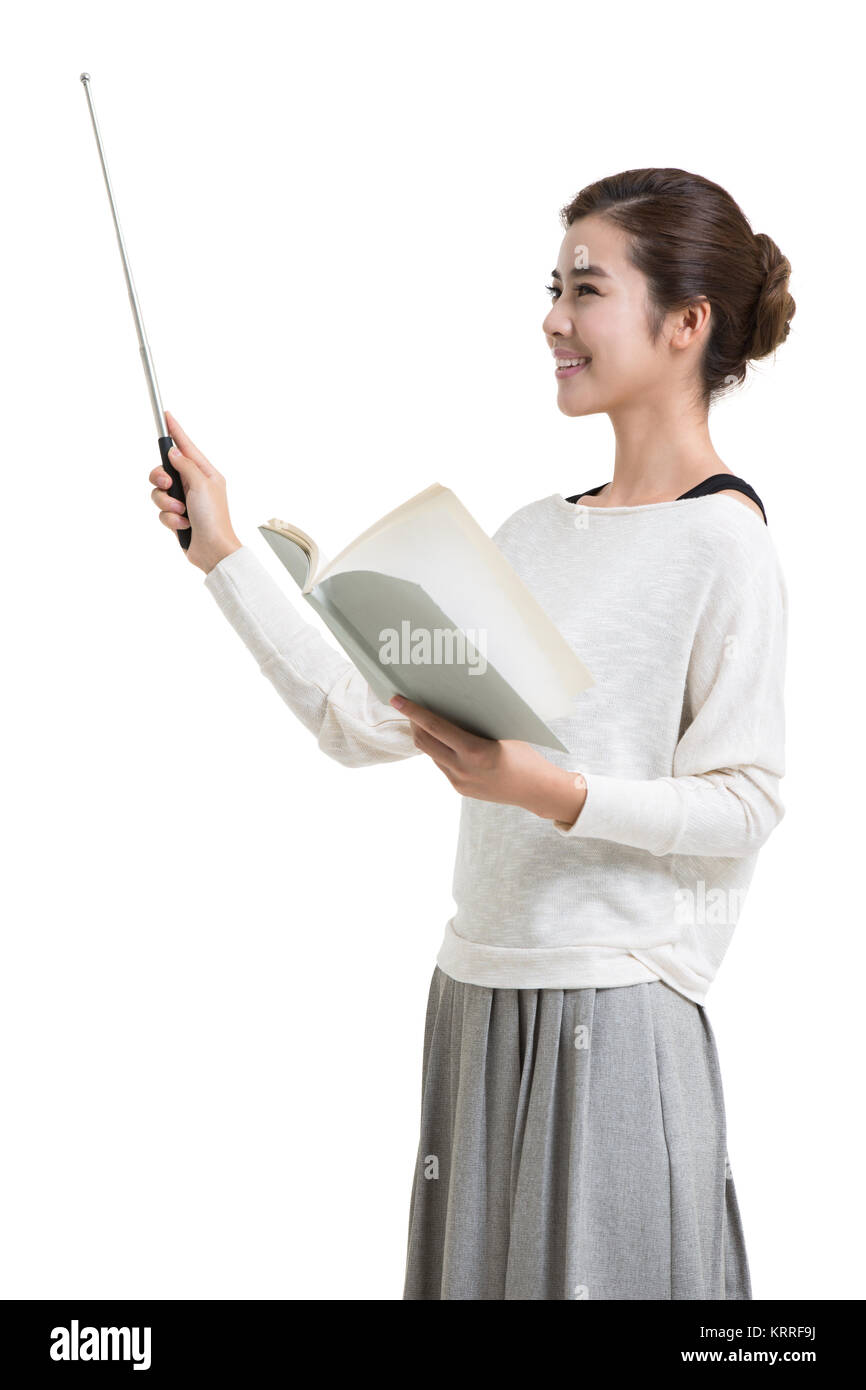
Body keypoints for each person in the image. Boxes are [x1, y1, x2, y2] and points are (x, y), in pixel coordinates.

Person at [149, 167, 793, 1301]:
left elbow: (742, 804)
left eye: (585, 289)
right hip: (473, 996)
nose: (551, 318)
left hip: (614, 1009)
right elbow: (359, 725)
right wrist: (226, 557)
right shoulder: (533, 533)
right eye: (553, 286)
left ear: (685, 323)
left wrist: (550, 788)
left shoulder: (724, 545)